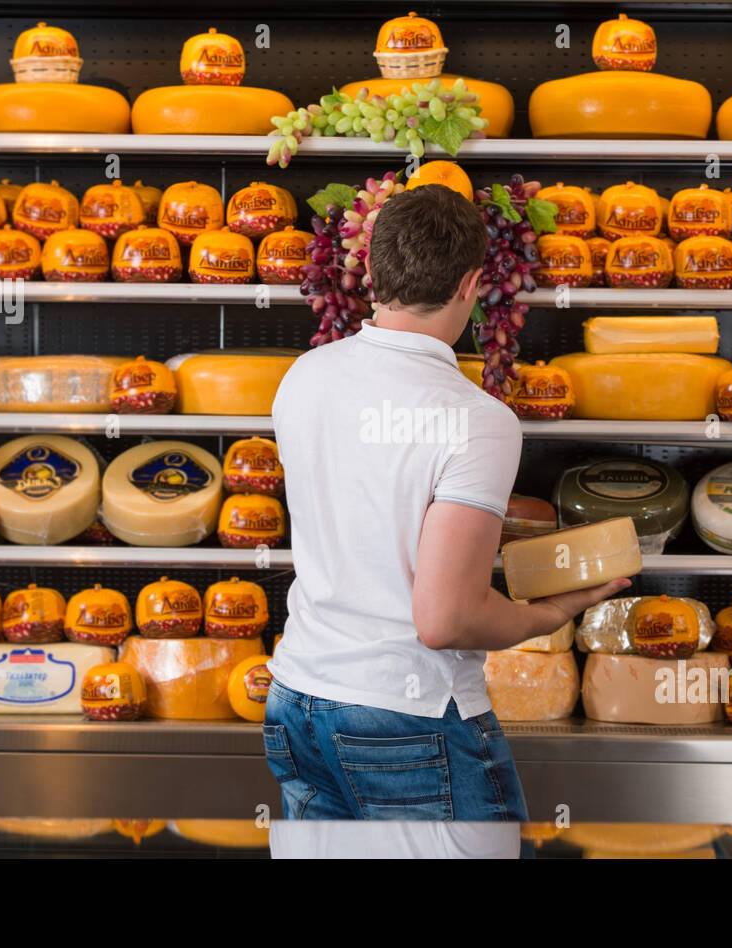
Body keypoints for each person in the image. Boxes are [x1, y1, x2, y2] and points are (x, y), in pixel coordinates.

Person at [264, 184, 631, 856]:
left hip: (299, 697)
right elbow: (444, 620)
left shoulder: (304, 378)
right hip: (410, 716)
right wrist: (550, 613)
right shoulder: (477, 422)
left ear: (370, 271)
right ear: (470, 284)